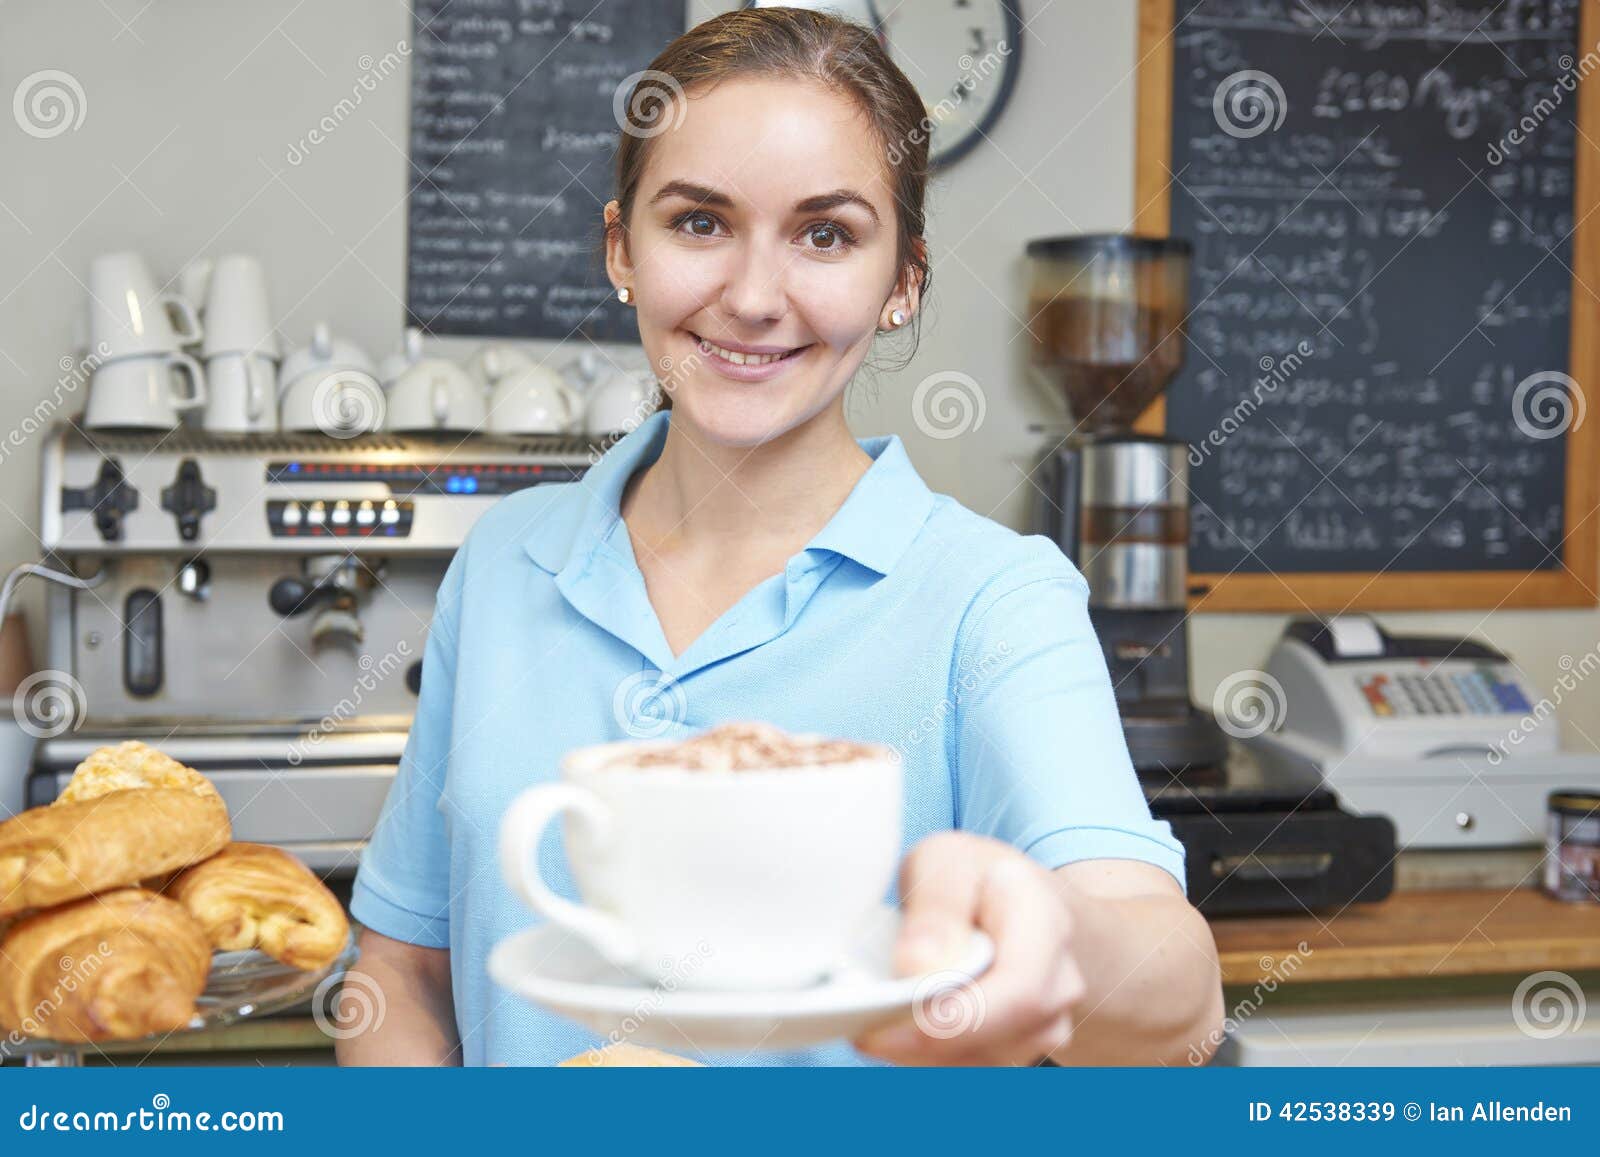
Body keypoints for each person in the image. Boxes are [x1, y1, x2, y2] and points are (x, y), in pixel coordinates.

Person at [337, 7, 1223, 1068]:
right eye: (699, 223)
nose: (752, 298)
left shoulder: (994, 598)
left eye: (826, 234)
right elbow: (399, 969)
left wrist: (1059, 941)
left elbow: (1175, 987)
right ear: (622, 248)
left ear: (902, 282)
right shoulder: (502, 558)